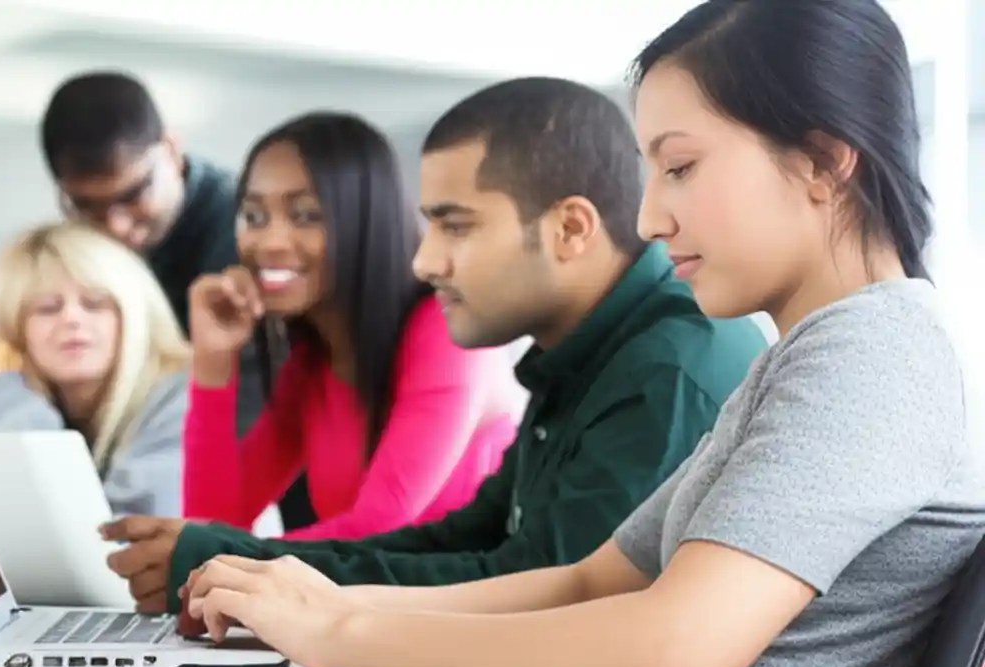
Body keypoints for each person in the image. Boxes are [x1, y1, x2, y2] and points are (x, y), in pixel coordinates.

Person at [178, 2, 984, 667]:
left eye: (680, 167)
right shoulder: (801, 360)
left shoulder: (877, 352)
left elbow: (673, 654)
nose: (649, 216)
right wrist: (329, 600)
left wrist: (341, 631)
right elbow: (590, 582)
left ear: (821, 161)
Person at [104, 80, 767, 614]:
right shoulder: (579, 355)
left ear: (570, 229)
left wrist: (258, 572)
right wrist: (235, 560)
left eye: (456, 227)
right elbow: (474, 535)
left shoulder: (663, 367)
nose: (424, 262)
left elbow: (544, 589)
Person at [165, 111, 522, 548]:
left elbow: (380, 526)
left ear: (367, 219)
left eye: (306, 215)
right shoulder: (313, 358)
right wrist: (213, 362)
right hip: (377, 608)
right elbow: (218, 520)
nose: (270, 242)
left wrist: (216, 558)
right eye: (254, 217)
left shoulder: (443, 328)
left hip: (465, 609)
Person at [39, 71, 288, 520]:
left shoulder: (246, 245)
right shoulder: (93, 253)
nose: (115, 225)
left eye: (134, 194)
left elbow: (248, 427)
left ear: (171, 150)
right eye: (87, 207)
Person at [0, 222, 191, 516]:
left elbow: (122, 545)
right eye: (47, 308)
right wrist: (6, 390)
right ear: (15, 331)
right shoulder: (15, 399)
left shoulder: (189, 397)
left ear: (135, 313)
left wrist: (3, 395)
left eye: (95, 304)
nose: (71, 318)